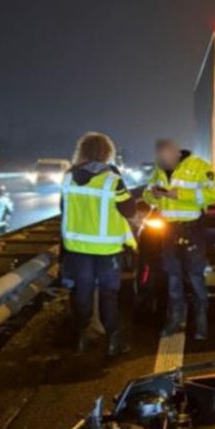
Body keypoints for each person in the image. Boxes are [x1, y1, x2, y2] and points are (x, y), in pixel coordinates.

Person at [60, 131, 138, 355]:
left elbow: (62, 209)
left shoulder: (68, 177)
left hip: (77, 248)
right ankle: (114, 341)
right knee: (108, 295)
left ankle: (82, 337)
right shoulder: (112, 179)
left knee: (82, 292)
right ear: (107, 153)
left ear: (82, 152)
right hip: (107, 249)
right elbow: (129, 210)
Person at [144, 138, 215, 339]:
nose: (163, 159)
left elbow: (213, 194)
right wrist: (154, 196)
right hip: (169, 230)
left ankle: (200, 324)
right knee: (173, 277)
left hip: (192, 229)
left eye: (166, 155)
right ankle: (175, 320)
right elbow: (147, 195)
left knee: (195, 277)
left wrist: (179, 194)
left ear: (177, 153)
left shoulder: (199, 167)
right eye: (160, 157)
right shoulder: (159, 170)